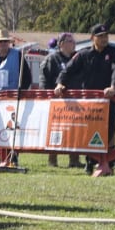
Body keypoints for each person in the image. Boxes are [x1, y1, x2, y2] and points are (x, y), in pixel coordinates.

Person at [54, 23, 115, 174]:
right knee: (89, 132)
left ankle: (107, 162)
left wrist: (114, 87)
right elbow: (67, 70)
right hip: (89, 103)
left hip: (109, 100)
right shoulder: (84, 54)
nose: (104, 39)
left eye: (106, 36)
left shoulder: (114, 52)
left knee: (108, 131)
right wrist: (61, 84)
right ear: (92, 38)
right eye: (100, 37)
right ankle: (90, 161)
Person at [0, 29, 32, 165]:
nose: (3, 44)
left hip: (12, 99)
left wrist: (20, 93)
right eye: (0, 42)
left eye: (5, 41)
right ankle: (1, 156)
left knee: (12, 128)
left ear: (9, 43)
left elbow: (27, 77)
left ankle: (13, 156)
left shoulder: (18, 56)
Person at [39, 32, 81, 168]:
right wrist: (47, 96)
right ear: (61, 44)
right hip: (56, 101)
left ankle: (74, 160)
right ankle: (52, 160)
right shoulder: (52, 59)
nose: (73, 43)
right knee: (55, 130)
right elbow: (44, 79)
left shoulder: (76, 58)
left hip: (74, 101)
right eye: (70, 41)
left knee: (74, 130)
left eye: (74, 41)